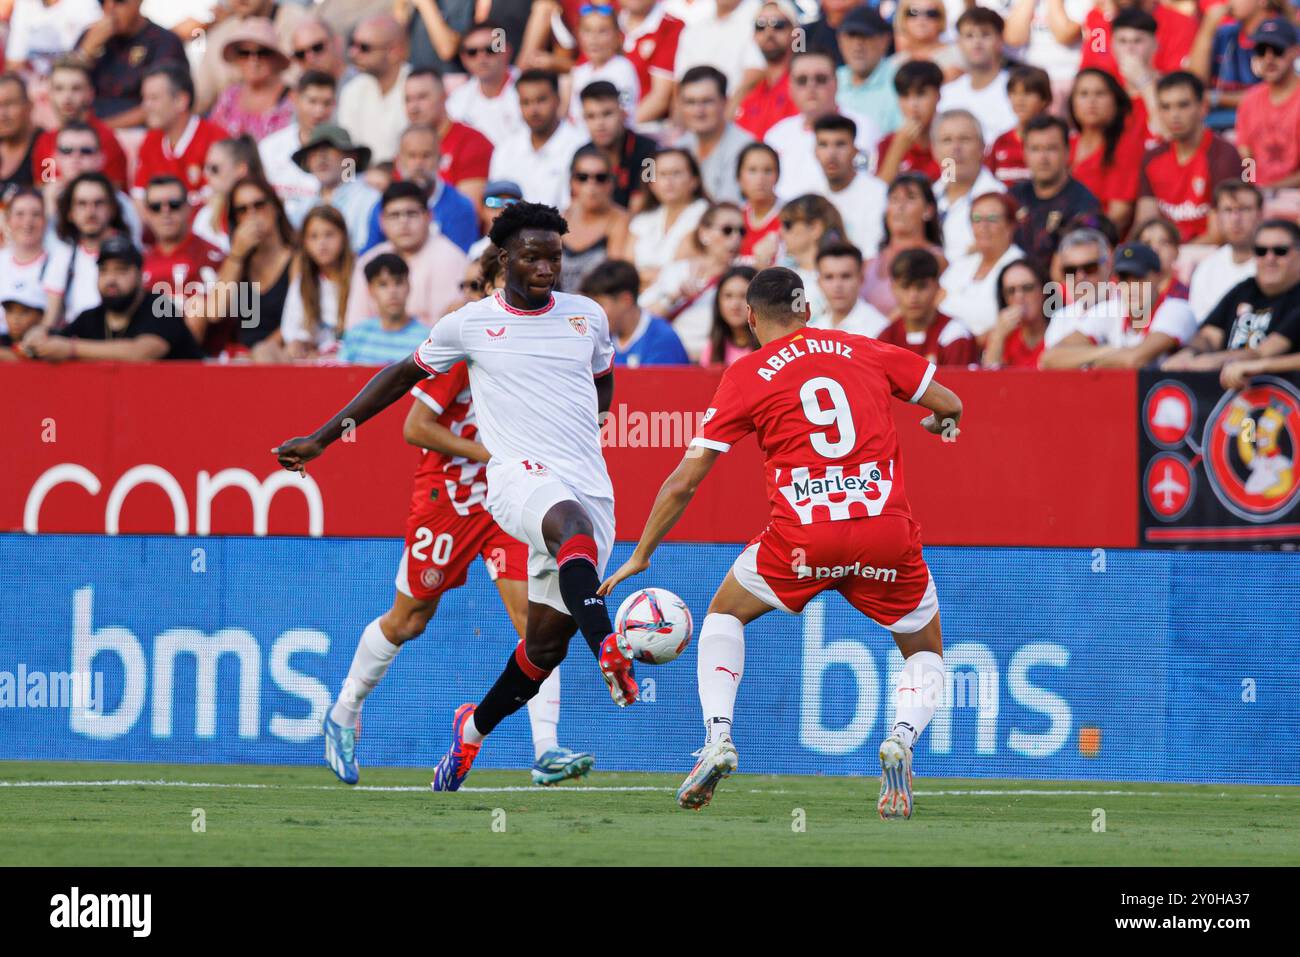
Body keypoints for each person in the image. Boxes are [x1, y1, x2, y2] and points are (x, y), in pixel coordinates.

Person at [274, 201, 638, 794]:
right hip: (499, 483)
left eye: (555, 256)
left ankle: (475, 729)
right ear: (504, 261)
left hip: (585, 484)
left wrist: (594, 419)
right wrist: (323, 437)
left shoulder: (587, 317)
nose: (547, 267)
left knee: (543, 643)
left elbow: (603, 374)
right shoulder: (469, 327)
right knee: (415, 614)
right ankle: (609, 649)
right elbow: (399, 380)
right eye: (532, 256)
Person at [598, 265, 963, 817]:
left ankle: (718, 738)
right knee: (925, 651)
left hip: (802, 543)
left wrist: (642, 553)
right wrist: (941, 424)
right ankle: (902, 741)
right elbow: (950, 403)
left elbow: (685, 480)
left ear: (748, 317)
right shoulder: (865, 348)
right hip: (884, 533)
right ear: (807, 310)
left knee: (722, 615)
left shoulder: (746, 375)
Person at [23, 235, 203, 361]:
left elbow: (142, 352)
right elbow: (56, 339)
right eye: (104, 271)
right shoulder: (90, 317)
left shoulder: (160, 306)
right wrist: (39, 336)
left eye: (121, 270)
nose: (111, 279)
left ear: (140, 275)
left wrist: (70, 349)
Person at [1163, 219, 1300, 371]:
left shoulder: (1296, 296)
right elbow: (1209, 336)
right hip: (1226, 389)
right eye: (1261, 251)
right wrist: (1189, 353)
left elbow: (1266, 351)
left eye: (1280, 251)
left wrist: (1217, 360)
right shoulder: (1245, 288)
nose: (1269, 258)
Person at [1040, 241, 1196, 368]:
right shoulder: (1112, 309)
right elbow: (1050, 357)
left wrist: (1086, 360)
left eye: (1138, 277)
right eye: (1124, 279)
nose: (1131, 286)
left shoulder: (1176, 309)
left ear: (1158, 277)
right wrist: (1107, 351)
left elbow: (1134, 359)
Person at [345, 180, 468, 329]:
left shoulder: (450, 258)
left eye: (411, 214)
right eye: (394, 215)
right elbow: (355, 326)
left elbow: (444, 330)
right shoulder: (368, 261)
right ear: (381, 221)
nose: (403, 222)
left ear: (429, 217)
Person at [1135, 72, 1241, 244]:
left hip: (1206, 255)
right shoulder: (1152, 157)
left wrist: (1176, 257)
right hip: (1164, 255)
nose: (1174, 115)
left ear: (1203, 107)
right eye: (1166, 107)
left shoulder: (1224, 156)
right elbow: (1145, 222)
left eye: (1183, 105)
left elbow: (1219, 234)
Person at [765, 50, 880, 203]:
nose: (811, 87)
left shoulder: (861, 127)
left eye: (820, 79)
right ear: (790, 87)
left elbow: (864, 184)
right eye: (802, 80)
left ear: (836, 83)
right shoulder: (776, 135)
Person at [639, 200, 746, 360]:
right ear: (704, 233)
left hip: (717, 361)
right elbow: (641, 319)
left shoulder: (747, 272)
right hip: (673, 359)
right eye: (727, 230)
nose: (736, 238)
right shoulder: (677, 271)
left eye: (741, 231)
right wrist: (673, 298)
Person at [204, 176, 295, 358]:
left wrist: (255, 357)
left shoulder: (297, 259)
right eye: (242, 210)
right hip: (241, 356)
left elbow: (298, 323)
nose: (252, 214)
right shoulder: (237, 260)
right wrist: (236, 254)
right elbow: (215, 312)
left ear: (275, 207)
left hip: (282, 356)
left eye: (259, 205)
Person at [362, 124, 478, 255]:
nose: (419, 163)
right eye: (412, 156)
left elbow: (459, 260)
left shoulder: (460, 206)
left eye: (426, 155)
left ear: (440, 159)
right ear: (399, 161)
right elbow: (370, 255)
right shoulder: (383, 206)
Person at [1011, 114, 1100, 274]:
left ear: (1067, 152)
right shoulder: (1013, 196)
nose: (1043, 158)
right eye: (1035, 149)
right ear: (1024, 153)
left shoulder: (1083, 203)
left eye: (1051, 148)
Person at [75, 0, 188, 127]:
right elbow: (64, 87)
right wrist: (85, 53)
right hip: (86, 129)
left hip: (140, 131)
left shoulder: (163, 42)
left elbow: (164, 102)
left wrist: (104, 129)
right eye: (103, 2)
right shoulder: (90, 37)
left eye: (120, 2)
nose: (110, 9)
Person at [134, 65, 230, 211]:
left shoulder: (217, 141)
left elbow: (218, 204)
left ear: (181, 101)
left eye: (154, 98)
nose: (146, 106)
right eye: (144, 98)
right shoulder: (150, 141)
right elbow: (140, 201)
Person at [140, 174, 225, 339]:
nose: (165, 212)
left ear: (188, 208)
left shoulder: (212, 256)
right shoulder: (139, 261)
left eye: (174, 205)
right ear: (147, 213)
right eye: (156, 207)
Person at [489, 70, 586, 211]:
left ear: (558, 99)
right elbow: (495, 206)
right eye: (526, 102)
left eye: (541, 100)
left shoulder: (580, 146)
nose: (533, 110)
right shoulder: (505, 150)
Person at [43, 171, 130, 327]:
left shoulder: (130, 251)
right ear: (70, 213)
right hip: (73, 340)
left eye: (98, 203)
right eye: (82, 204)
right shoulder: (63, 255)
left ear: (112, 209)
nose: (90, 212)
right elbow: (52, 317)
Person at [29, 57, 128, 191]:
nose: (67, 97)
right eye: (59, 88)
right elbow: (44, 189)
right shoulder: (45, 142)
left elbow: (113, 196)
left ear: (90, 94)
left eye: (76, 89)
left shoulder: (106, 139)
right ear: (50, 94)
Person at [403, 67, 493, 208]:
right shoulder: (407, 144)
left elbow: (468, 213)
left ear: (444, 97)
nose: (413, 107)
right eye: (408, 99)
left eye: (422, 97)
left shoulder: (472, 142)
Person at [1067, 68, 1143, 235]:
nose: (1091, 101)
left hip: (1100, 240)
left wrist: (1080, 238)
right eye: (1083, 94)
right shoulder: (1065, 144)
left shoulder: (1125, 147)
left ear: (1115, 101)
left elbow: (1119, 215)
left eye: (1100, 94)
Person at [940, 192, 1024, 340]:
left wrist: (970, 345)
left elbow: (1013, 323)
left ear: (1010, 225)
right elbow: (936, 302)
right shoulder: (961, 264)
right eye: (977, 219)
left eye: (992, 219)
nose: (983, 226)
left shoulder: (1020, 268)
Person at [284, 123, 379, 253]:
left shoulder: (371, 199)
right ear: (308, 162)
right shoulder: (303, 205)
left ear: (351, 157)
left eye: (329, 149)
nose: (321, 157)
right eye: (313, 152)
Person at [862, 172, 946, 316]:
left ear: (928, 210)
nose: (900, 206)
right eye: (894, 199)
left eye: (910, 198)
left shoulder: (937, 259)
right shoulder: (868, 263)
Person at [44, 123, 142, 245]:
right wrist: (49, 209)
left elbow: (132, 249)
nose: (76, 157)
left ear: (101, 158)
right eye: (67, 151)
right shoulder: (41, 200)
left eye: (86, 151)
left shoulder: (119, 201)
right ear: (55, 157)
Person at [580, 258, 689, 366]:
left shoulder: (663, 341)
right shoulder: (596, 338)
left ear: (625, 300)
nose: (593, 313)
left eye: (600, 304)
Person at [879, 248, 979, 365]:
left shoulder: (955, 335)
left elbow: (957, 383)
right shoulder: (885, 339)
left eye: (921, 287)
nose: (913, 296)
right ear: (893, 288)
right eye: (905, 287)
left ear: (937, 286)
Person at [279, 204, 352, 360]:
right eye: (314, 237)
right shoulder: (303, 282)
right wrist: (299, 344)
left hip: (352, 355)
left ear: (344, 236)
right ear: (305, 242)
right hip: (315, 356)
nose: (322, 243)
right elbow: (291, 329)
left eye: (329, 235)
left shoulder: (358, 275)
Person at [1234, 17, 1300, 189]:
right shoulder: (1250, 100)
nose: (1268, 58)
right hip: (1258, 197)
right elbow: (1246, 156)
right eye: (1261, 51)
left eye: (1277, 50)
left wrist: (1269, 189)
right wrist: (1250, 187)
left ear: (1295, 51)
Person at [932, 109, 1006, 262]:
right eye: (947, 140)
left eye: (964, 139)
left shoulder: (1000, 199)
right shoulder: (927, 196)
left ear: (982, 148)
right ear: (934, 150)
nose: (955, 148)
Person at [628, 147, 708, 286]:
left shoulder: (706, 216)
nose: (669, 181)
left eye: (676, 173)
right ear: (651, 184)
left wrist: (640, 276)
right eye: (662, 174)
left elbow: (676, 271)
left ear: (694, 180)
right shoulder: (643, 218)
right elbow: (624, 269)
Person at [337, 15, 411, 164]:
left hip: (406, 183)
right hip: (361, 183)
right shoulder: (352, 90)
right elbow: (347, 152)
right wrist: (348, 184)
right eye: (353, 44)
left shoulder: (418, 88)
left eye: (364, 47)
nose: (353, 53)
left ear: (393, 51)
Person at [937, 8, 1017, 147]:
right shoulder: (946, 93)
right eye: (969, 36)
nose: (977, 43)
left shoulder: (1017, 89)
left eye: (985, 35)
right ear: (959, 43)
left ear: (1000, 40)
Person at [259, 70, 337, 208]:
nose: (319, 111)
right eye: (312, 101)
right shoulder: (269, 148)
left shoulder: (348, 153)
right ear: (294, 98)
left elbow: (351, 193)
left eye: (327, 103)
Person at [578, 79, 658, 212]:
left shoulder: (649, 153)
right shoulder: (582, 155)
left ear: (622, 114)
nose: (600, 124)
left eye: (607, 114)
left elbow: (642, 205)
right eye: (591, 116)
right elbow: (578, 205)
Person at [814, 113, 886, 260]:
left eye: (840, 144)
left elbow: (873, 254)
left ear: (855, 151)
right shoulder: (813, 195)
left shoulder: (878, 193)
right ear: (815, 152)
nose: (831, 154)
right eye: (823, 144)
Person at [678, 66, 754, 205]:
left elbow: (730, 209)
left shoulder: (746, 148)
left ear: (725, 102)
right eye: (690, 102)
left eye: (707, 101)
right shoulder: (680, 147)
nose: (698, 111)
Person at [210, 17, 293, 140]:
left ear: (275, 58)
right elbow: (212, 138)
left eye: (262, 53)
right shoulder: (229, 96)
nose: (253, 60)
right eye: (245, 53)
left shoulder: (292, 99)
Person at [1188, 182, 1261, 323]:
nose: (1236, 219)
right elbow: (1199, 324)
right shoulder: (1207, 268)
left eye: (1245, 209)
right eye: (1228, 210)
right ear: (1217, 217)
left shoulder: (1277, 262)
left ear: (1260, 214)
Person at [445, 20, 524, 150]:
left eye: (490, 49)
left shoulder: (530, 89)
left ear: (507, 51)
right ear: (463, 58)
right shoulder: (458, 100)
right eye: (472, 52)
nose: (482, 58)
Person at [560, 146, 630, 293]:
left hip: (597, 307)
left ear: (611, 183)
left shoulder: (620, 221)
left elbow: (614, 277)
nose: (591, 185)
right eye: (582, 177)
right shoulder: (562, 217)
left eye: (600, 178)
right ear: (572, 182)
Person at [338, 254, 429, 364]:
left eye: (398, 282)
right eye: (383, 284)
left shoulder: (426, 340)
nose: (392, 291)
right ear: (370, 290)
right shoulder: (357, 335)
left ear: (409, 286)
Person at [561, 3, 639, 126]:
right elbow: (574, 118)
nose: (594, 39)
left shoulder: (623, 69)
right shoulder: (580, 72)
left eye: (602, 31)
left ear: (618, 37)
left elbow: (625, 113)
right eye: (587, 31)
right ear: (578, 35)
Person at [732, 1, 798, 141]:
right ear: (754, 36)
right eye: (760, 26)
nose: (769, 32)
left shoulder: (805, 84)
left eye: (778, 25)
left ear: (796, 34)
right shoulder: (750, 91)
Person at [673, 0, 764, 98]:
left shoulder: (760, 24)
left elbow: (754, 76)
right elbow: (679, 81)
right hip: (693, 106)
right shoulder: (693, 30)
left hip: (736, 109)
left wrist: (727, 111)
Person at [876, 59, 944, 184]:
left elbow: (954, 184)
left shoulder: (954, 140)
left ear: (938, 95)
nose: (913, 105)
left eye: (921, 94)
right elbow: (878, 194)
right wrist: (897, 150)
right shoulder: (887, 144)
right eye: (905, 96)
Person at [835, 5, 900, 135]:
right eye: (851, 35)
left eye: (866, 36)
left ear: (885, 40)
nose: (858, 44)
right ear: (840, 39)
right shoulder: (830, 80)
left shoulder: (900, 81)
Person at [617, 0, 684, 125]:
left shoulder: (669, 27)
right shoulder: (606, 22)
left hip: (644, 129)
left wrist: (620, 129)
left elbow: (660, 98)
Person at [988, 63, 1050, 188]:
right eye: (1014, 93)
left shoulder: (1054, 141)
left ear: (1044, 99)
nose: (1020, 100)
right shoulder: (1001, 141)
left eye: (1027, 93)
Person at [982, 258, 1049, 368]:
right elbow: (988, 379)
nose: (1019, 296)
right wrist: (998, 337)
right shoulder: (1002, 336)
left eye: (1027, 288)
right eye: (1011, 291)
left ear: (1044, 291)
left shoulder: (1060, 331)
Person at [812, 241, 888, 337]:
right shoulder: (814, 326)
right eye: (829, 277)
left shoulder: (879, 329)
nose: (837, 285)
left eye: (846, 276)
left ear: (861, 279)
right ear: (819, 282)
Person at [0, 188, 49, 336]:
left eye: (35, 214)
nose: (28, 222)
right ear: (8, 220)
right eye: (20, 214)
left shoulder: (60, 262)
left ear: (45, 221)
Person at [698, 264, 759, 366]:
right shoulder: (713, 348)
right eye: (728, 296)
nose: (735, 305)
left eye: (743, 296)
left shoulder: (770, 346)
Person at [0, 73, 41, 206]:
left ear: (29, 106)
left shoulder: (46, 144)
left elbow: (49, 188)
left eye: (10, 104)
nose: (2, 114)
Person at [890, 0, 960, 76]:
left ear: (941, 18)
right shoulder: (895, 62)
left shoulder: (959, 54)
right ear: (903, 19)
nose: (921, 20)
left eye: (930, 13)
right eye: (913, 12)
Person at [736, 142, 781, 259]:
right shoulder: (734, 220)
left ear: (777, 176)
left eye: (768, 170)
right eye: (752, 170)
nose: (760, 178)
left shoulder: (790, 218)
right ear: (739, 177)